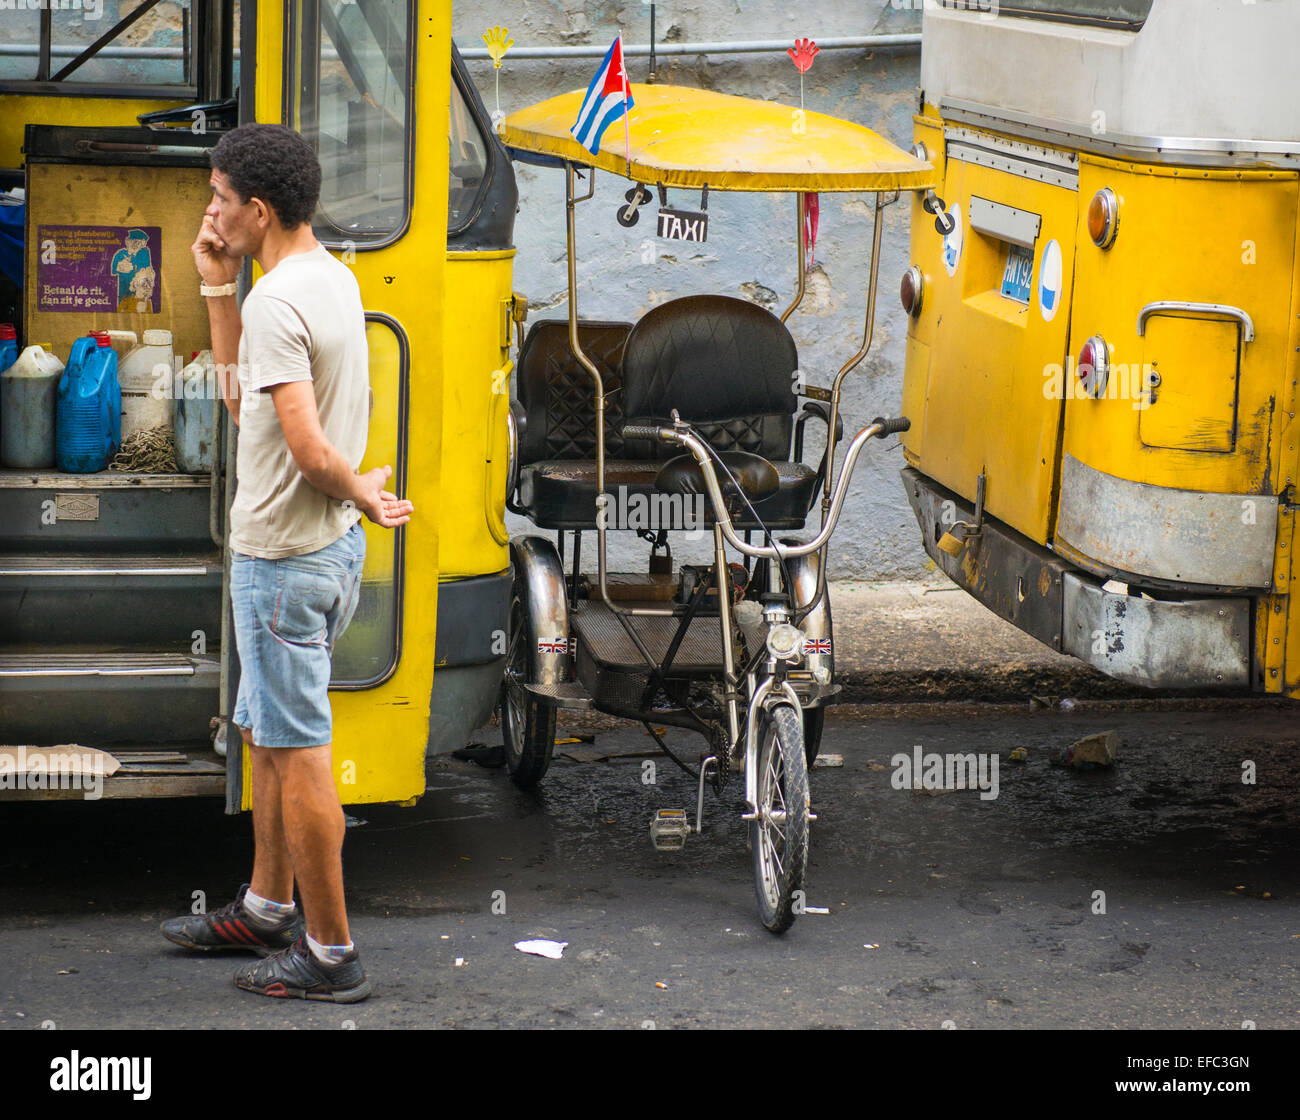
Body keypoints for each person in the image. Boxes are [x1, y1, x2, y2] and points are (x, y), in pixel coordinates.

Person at [160, 123, 412, 1003]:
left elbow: (305, 451)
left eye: (220, 198)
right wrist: (215, 290)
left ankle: (332, 953)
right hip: (325, 555)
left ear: (257, 210)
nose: (210, 210)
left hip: (285, 563)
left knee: (299, 751)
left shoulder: (281, 302)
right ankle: (269, 909)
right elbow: (250, 412)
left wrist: (358, 490)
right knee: (269, 734)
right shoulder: (325, 278)